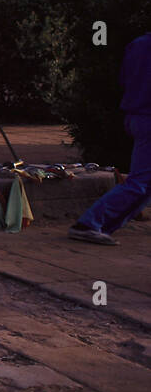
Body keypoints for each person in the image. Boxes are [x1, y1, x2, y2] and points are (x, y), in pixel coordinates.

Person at [69, 31, 150, 245]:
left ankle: (99, 225)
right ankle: (89, 223)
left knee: (145, 183)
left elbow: (124, 79)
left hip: (136, 115)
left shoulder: (138, 44)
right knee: (140, 182)